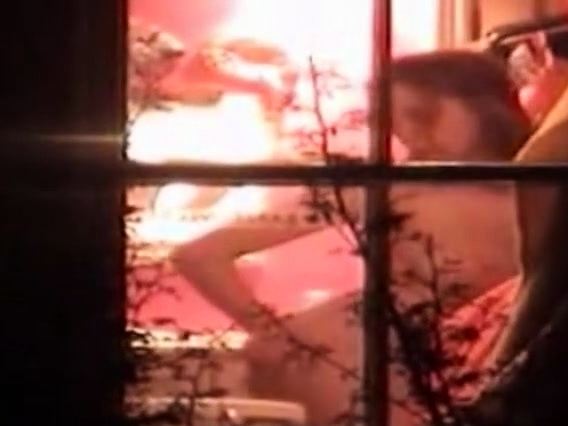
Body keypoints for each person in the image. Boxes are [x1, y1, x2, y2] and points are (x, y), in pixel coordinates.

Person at [169, 50, 531, 425]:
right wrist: (274, 334)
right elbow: (199, 254)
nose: (410, 133)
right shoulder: (391, 187)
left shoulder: (539, 185)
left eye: (422, 113)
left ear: (484, 106)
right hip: (356, 370)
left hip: (420, 373)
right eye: (396, 121)